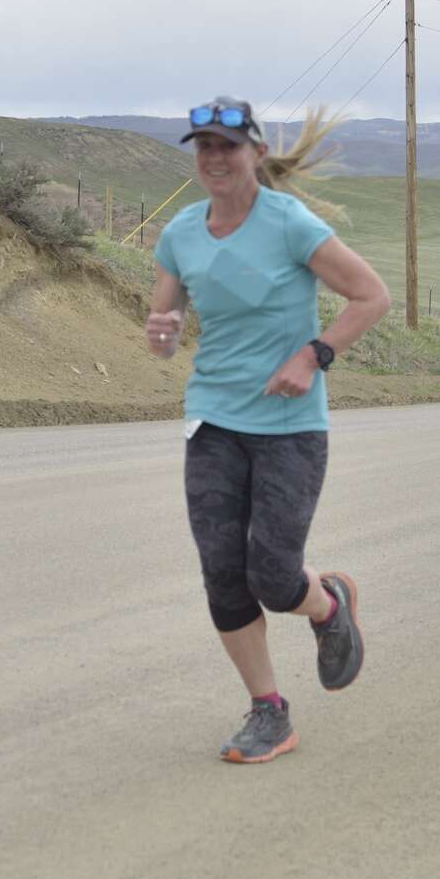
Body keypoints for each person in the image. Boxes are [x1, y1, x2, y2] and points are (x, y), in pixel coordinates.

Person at [147, 97, 391, 764]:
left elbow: (371, 295)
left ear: (254, 152)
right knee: (223, 575)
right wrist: (161, 335)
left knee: (274, 574)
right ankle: (268, 711)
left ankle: (327, 607)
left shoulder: (288, 223)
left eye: (227, 146)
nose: (215, 159)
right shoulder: (181, 234)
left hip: (288, 427)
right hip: (213, 421)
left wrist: (313, 355)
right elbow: (163, 336)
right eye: (203, 148)